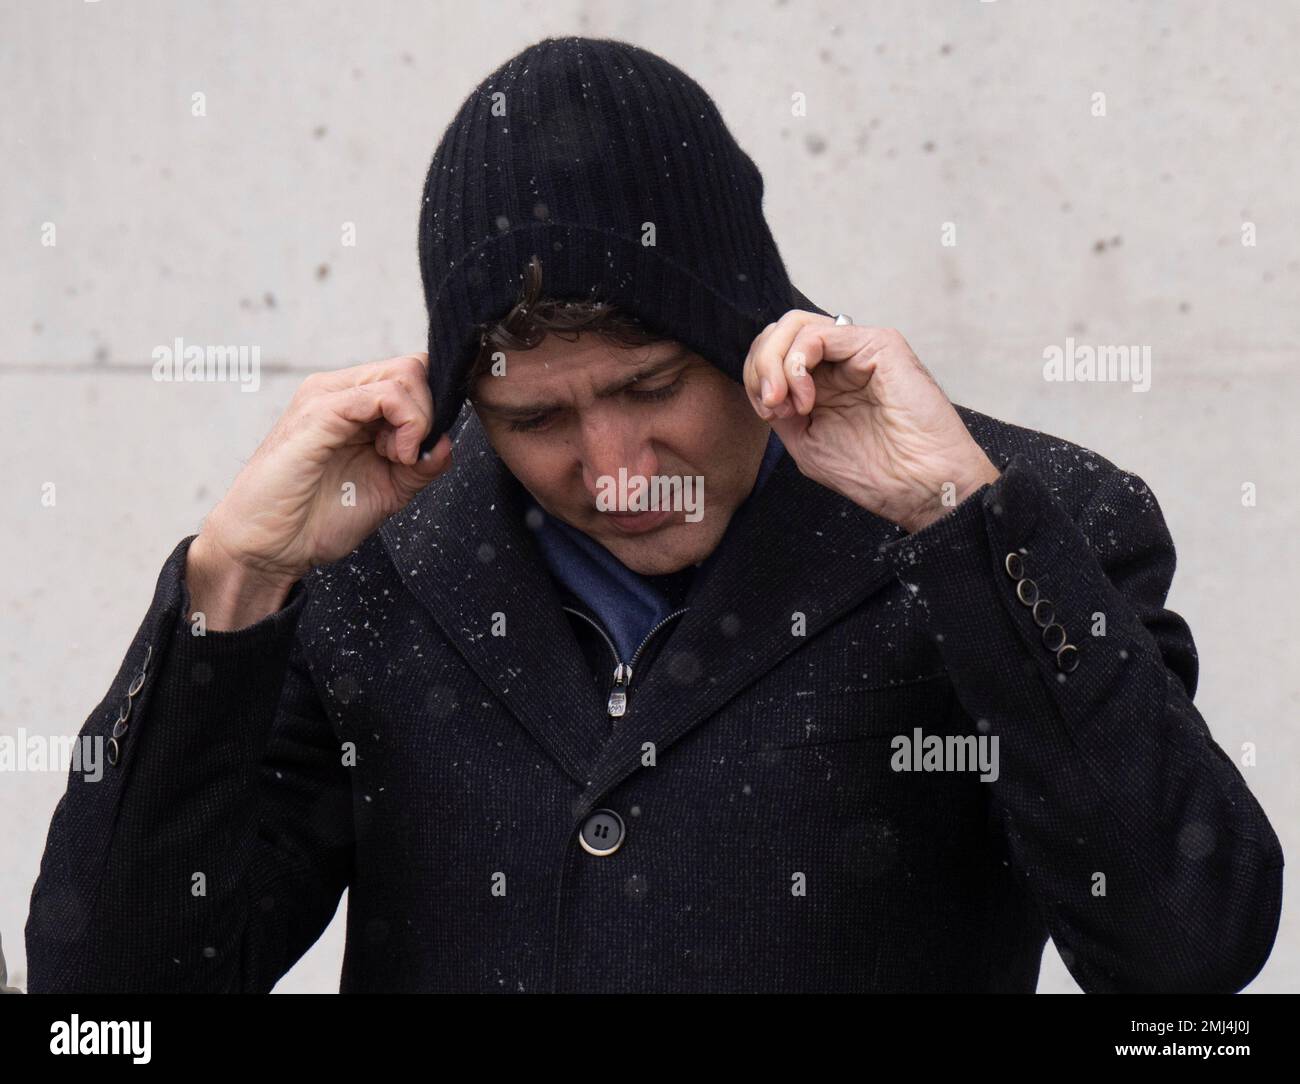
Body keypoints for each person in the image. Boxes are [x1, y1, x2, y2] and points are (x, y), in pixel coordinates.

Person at [25, 36, 1283, 993]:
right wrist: (231, 585)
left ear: (749, 329)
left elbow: (1188, 950)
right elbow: (111, 1003)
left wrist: (961, 526)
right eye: (538, 422)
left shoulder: (1021, 520)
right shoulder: (371, 571)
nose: (616, 467)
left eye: (649, 388)